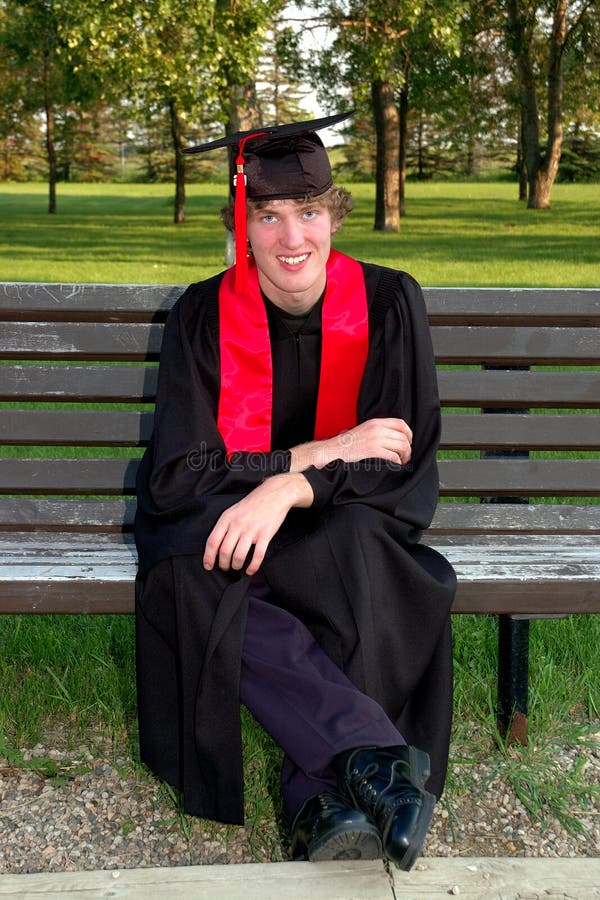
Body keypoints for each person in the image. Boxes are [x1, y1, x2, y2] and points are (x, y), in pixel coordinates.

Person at [134, 112, 456, 870]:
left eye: (308, 213)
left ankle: (318, 799)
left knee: (350, 547)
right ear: (242, 228)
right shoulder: (201, 317)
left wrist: (287, 492)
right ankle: (370, 759)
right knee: (194, 559)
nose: (291, 240)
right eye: (268, 217)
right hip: (231, 529)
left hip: (341, 527)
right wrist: (316, 455)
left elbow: (402, 464)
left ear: (334, 214)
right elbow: (181, 476)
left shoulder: (388, 304)